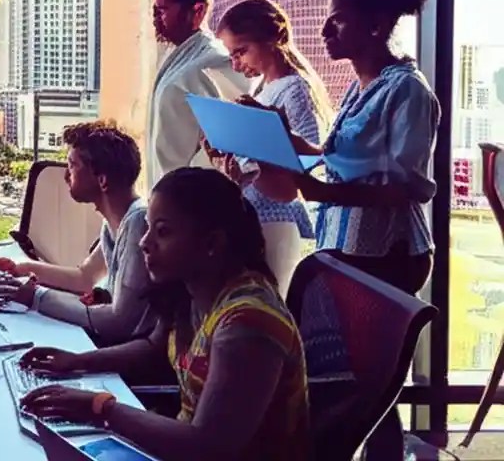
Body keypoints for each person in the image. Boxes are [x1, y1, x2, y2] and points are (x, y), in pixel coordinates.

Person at [253, 0, 438, 460]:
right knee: (362, 387)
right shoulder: (362, 86)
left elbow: (409, 188)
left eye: (337, 20)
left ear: (376, 25)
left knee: (368, 387)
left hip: (385, 253)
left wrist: (319, 191)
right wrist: (279, 136)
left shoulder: (408, 91)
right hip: (345, 247)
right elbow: (344, 160)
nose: (323, 30)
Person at [18, 167, 309, 461]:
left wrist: (101, 408)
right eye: (147, 227)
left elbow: (208, 446)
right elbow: (153, 347)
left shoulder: (248, 322)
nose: (144, 242)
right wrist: (78, 362)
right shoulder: (194, 290)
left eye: (163, 231)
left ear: (212, 244)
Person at [0, 121, 154, 348]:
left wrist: (35, 298)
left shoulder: (138, 224)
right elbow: (85, 278)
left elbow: (118, 321)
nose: (65, 175)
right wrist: (19, 269)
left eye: (72, 165)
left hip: (131, 358)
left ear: (102, 180)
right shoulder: (118, 221)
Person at [210, 0, 333, 296]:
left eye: (241, 51)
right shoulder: (263, 89)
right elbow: (259, 165)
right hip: (257, 215)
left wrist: (261, 138)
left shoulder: (294, 89)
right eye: (232, 55)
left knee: (265, 303)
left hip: (277, 220)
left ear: (273, 38)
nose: (236, 63)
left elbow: (307, 165)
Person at [145, 0, 252, 186]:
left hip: (191, 200)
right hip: (167, 193)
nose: (155, 18)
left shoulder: (217, 62)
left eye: (163, 10)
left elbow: (228, 142)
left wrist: (191, 188)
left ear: (197, 11)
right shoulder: (175, 57)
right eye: (154, 10)